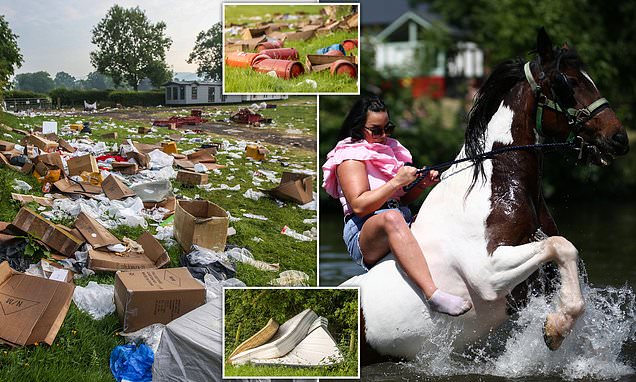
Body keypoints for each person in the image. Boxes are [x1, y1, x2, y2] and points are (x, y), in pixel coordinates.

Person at [322, 95, 472, 316]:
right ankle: (433, 295)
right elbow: (360, 205)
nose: (384, 136)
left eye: (387, 128)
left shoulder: (389, 150)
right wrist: (397, 181)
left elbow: (400, 200)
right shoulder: (349, 157)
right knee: (391, 217)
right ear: (358, 128)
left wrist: (420, 186)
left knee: (435, 213)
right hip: (363, 228)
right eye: (376, 130)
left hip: (397, 216)